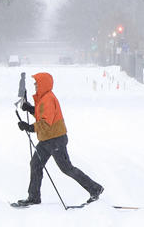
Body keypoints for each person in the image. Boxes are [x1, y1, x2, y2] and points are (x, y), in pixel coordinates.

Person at [15, 72, 103, 207]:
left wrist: (29, 127)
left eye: (36, 83)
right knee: (35, 165)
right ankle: (33, 197)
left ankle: (95, 189)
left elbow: (45, 122)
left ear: (43, 84)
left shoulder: (48, 99)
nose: (35, 86)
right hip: (46, 139)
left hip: (56, 140)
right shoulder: (43, 98)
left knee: (67, 168)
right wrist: (31, 109)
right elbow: (41, 114)